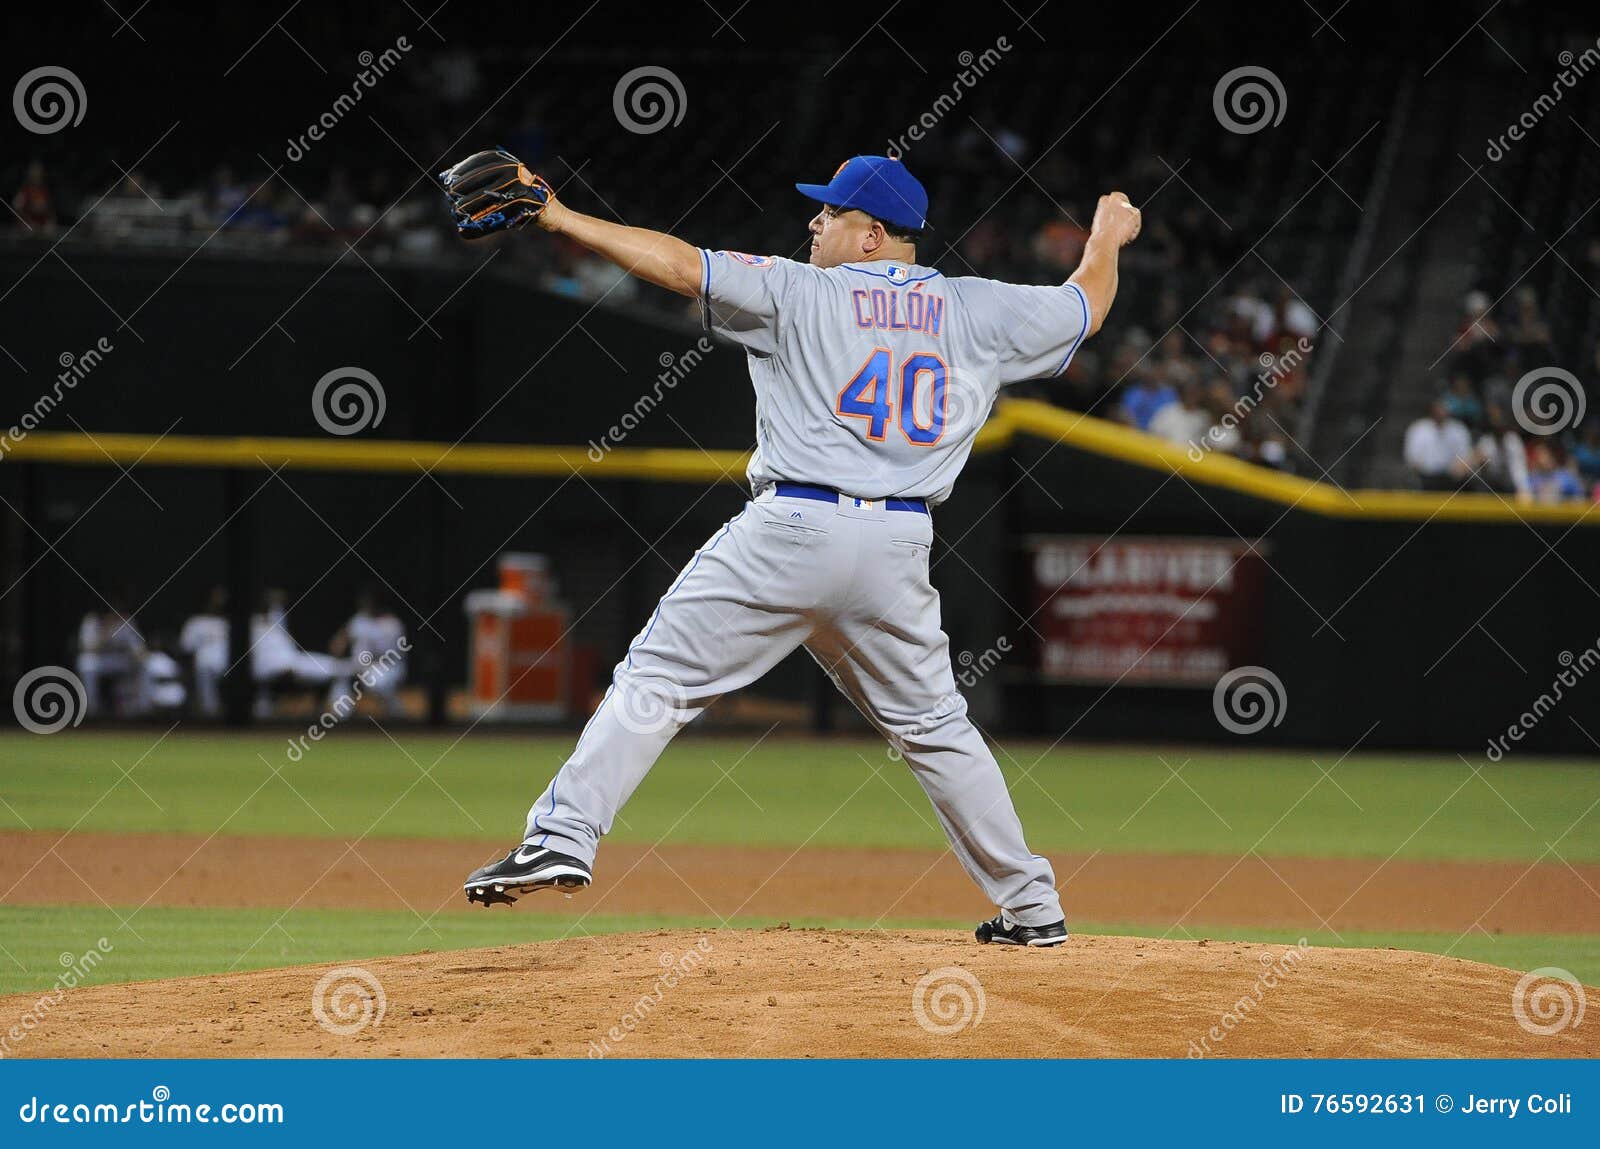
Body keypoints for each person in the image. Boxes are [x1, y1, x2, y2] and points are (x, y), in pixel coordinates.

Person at [439, 148, 1142, 947]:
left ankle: (563, 836)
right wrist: (1108, 236)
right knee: (938, 727)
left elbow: (676, 264)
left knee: (658, 678)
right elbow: (1086, 304)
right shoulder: (978, 309)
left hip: (792, 527)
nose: (813, 222)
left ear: (873, 234)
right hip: (898, 545)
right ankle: (1034, 907)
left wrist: (560, 217)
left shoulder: (795, 288)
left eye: (830, 212)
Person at [330, 589, 408, 715]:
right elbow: (339, 642)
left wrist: (364, 665)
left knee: (376, 683)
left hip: (385, 667)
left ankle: (395, 715)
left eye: (370, 602)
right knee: (339, 674)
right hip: (360, 666)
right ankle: (341, 720)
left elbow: (385, 654)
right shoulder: (359, 620)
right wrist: (340, 644)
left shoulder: (392, 624)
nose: (366, 605)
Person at [179, 586, 229, 717]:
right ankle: (210, 713)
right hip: (205, 663)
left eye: (222, 599)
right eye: (215, 598)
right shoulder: (195, 622)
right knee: (205, 666)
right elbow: (186, 649)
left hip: (229, 664)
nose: (219, 602)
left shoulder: (229, 623)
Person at [1403, 398, 1474, 491]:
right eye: (1438, 409)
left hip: (1452, 478)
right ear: (1432, 410)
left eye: (1443, 409)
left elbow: (1466, 457)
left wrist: (1458, 469)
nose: (1441, 412)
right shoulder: (1418, 428)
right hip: (1425, 477)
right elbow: (1411, 458)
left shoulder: (1459, 430)